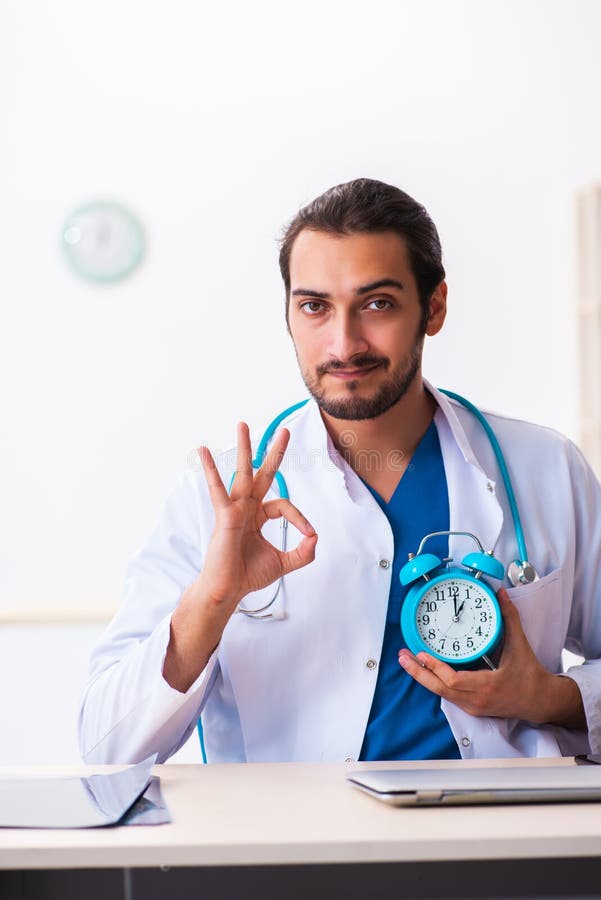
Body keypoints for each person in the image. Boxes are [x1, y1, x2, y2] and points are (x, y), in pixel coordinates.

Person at [79, 178, 601, 765]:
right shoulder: (221, 500)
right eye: (315, 307)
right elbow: (105, 746)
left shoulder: (547, 469)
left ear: (433, 307)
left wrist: (551, 698)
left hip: (506, 822)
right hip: (296, 825)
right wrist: (213, 600)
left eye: (377, 304)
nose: (344, 343)